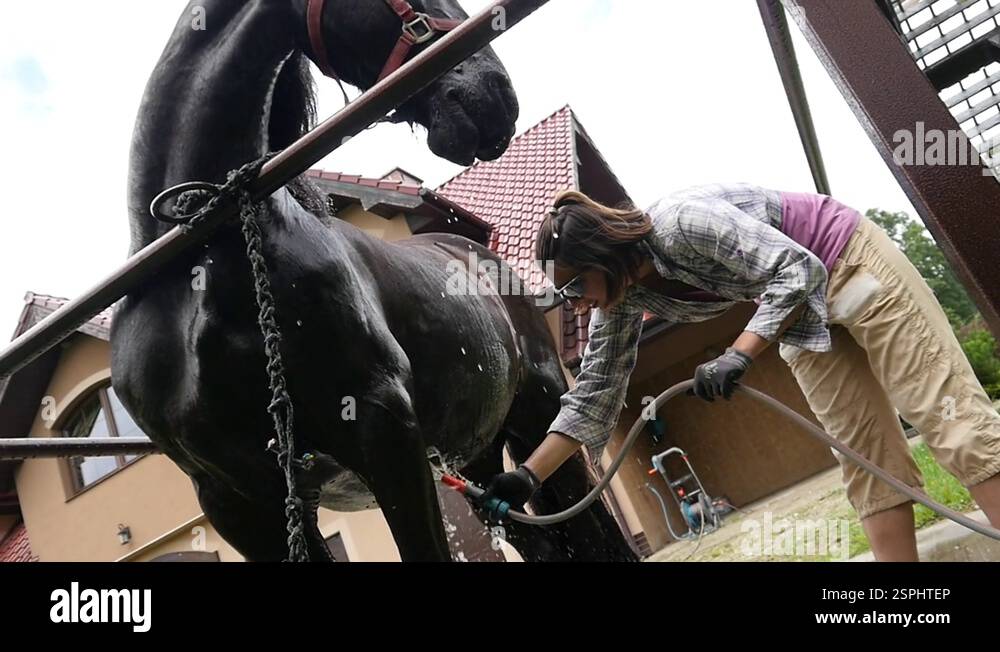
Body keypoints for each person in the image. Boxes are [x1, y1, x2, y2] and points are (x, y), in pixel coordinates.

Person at [481, 183, 1000, 561]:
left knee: (949, 422)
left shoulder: (680, 223)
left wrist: (740, 353)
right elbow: (595, 395)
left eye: (574, 289)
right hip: (795, 312)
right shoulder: (616, 302)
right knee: (865, 459)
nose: (574, 305)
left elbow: (798, 269)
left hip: (845, 261)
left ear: (601, 257)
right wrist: (527, 475)